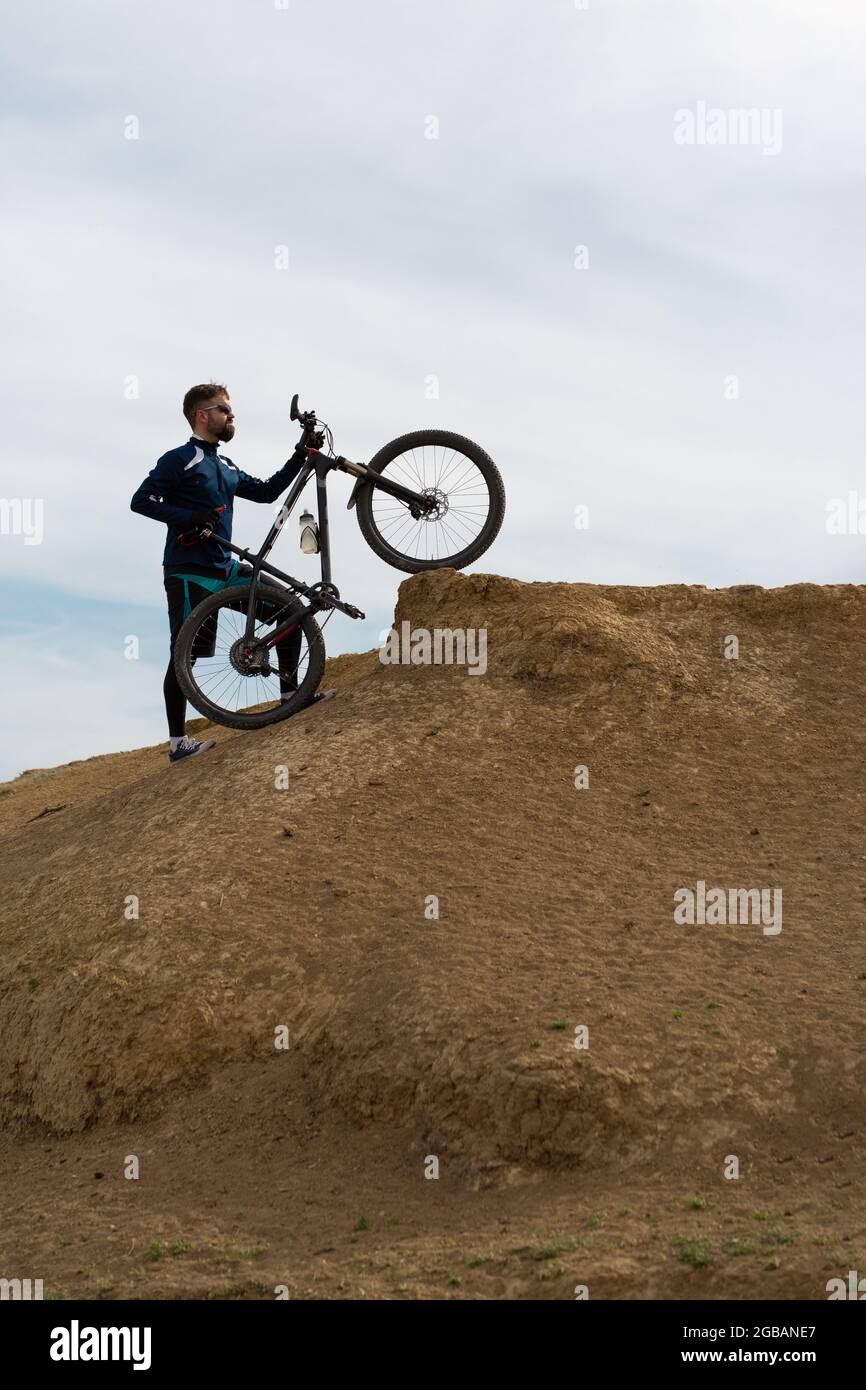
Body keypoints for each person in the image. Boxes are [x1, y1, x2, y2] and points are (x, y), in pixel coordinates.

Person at [130, 382, 330, 764]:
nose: (231, 414)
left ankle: (292, 696)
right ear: (202, 416)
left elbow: (268, 491)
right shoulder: (179, 459)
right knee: (184, 655)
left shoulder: (225, 465)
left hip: (227, 568)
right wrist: (189, 517)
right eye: (224, 409)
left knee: (289, 609)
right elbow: (142, 500)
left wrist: (300, 453)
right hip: (190, 573)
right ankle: (178, 744)